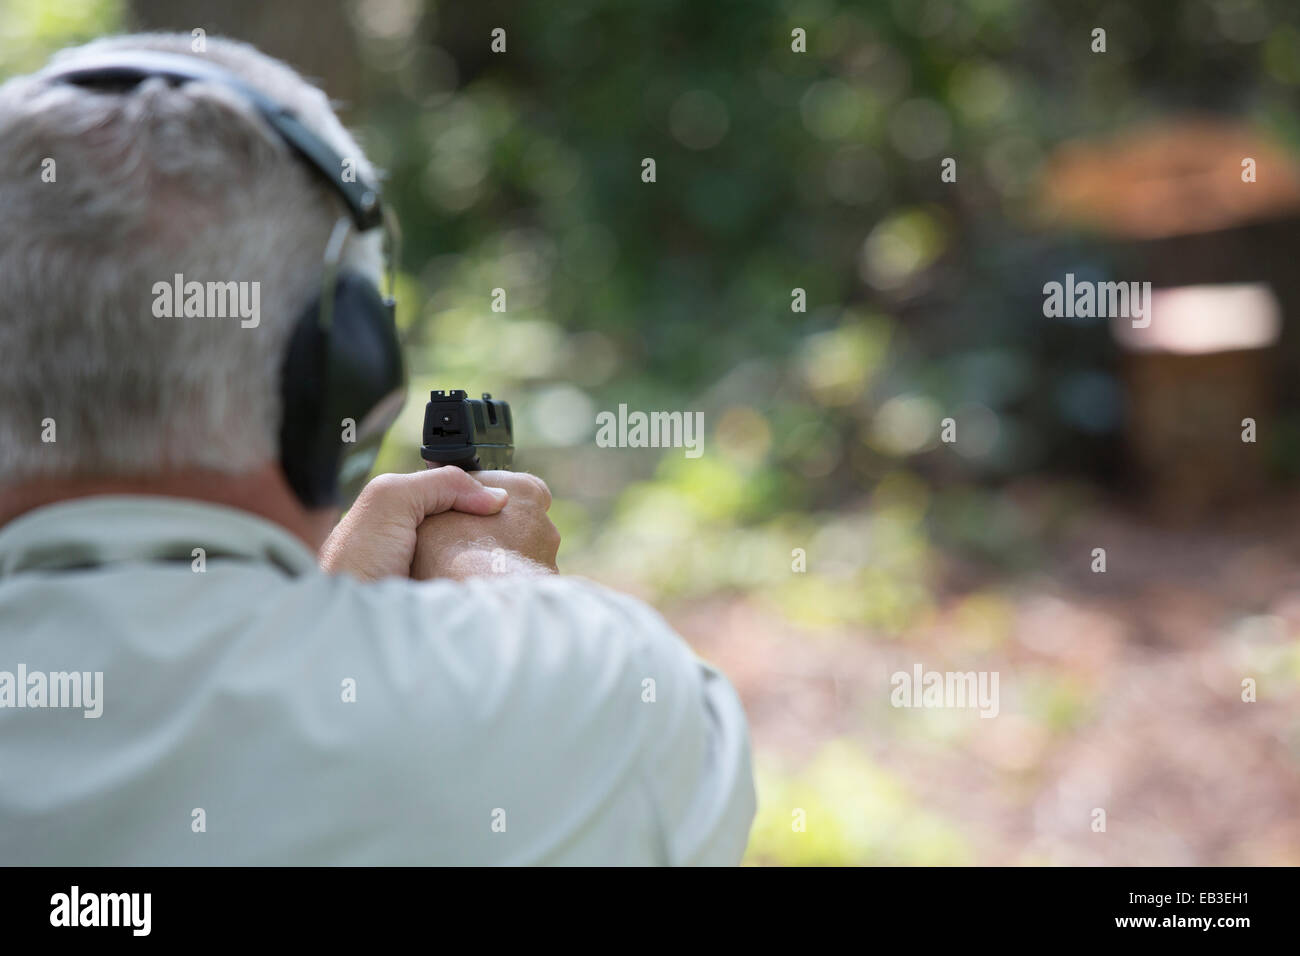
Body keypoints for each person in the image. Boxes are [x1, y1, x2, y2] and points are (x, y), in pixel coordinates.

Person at [0, 33, 755, 865]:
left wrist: (320, 603)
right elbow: (693, 760)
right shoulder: (583, 699)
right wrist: (489, 571)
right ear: (346, 375)